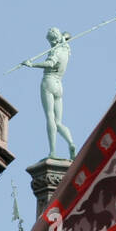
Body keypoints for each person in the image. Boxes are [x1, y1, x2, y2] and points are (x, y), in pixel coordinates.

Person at [22, 28, 75, 160]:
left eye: (50, 41)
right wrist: (63, 38)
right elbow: (67, 35)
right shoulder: (66, 49)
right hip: (59, 85)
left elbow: (50, 63)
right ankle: (71, 143)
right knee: (59, 122)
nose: (50, 44)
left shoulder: (55, 50)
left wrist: (31, 65)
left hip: (49, 81)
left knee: (50, 117)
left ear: (53, 40)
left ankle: (52, 151)